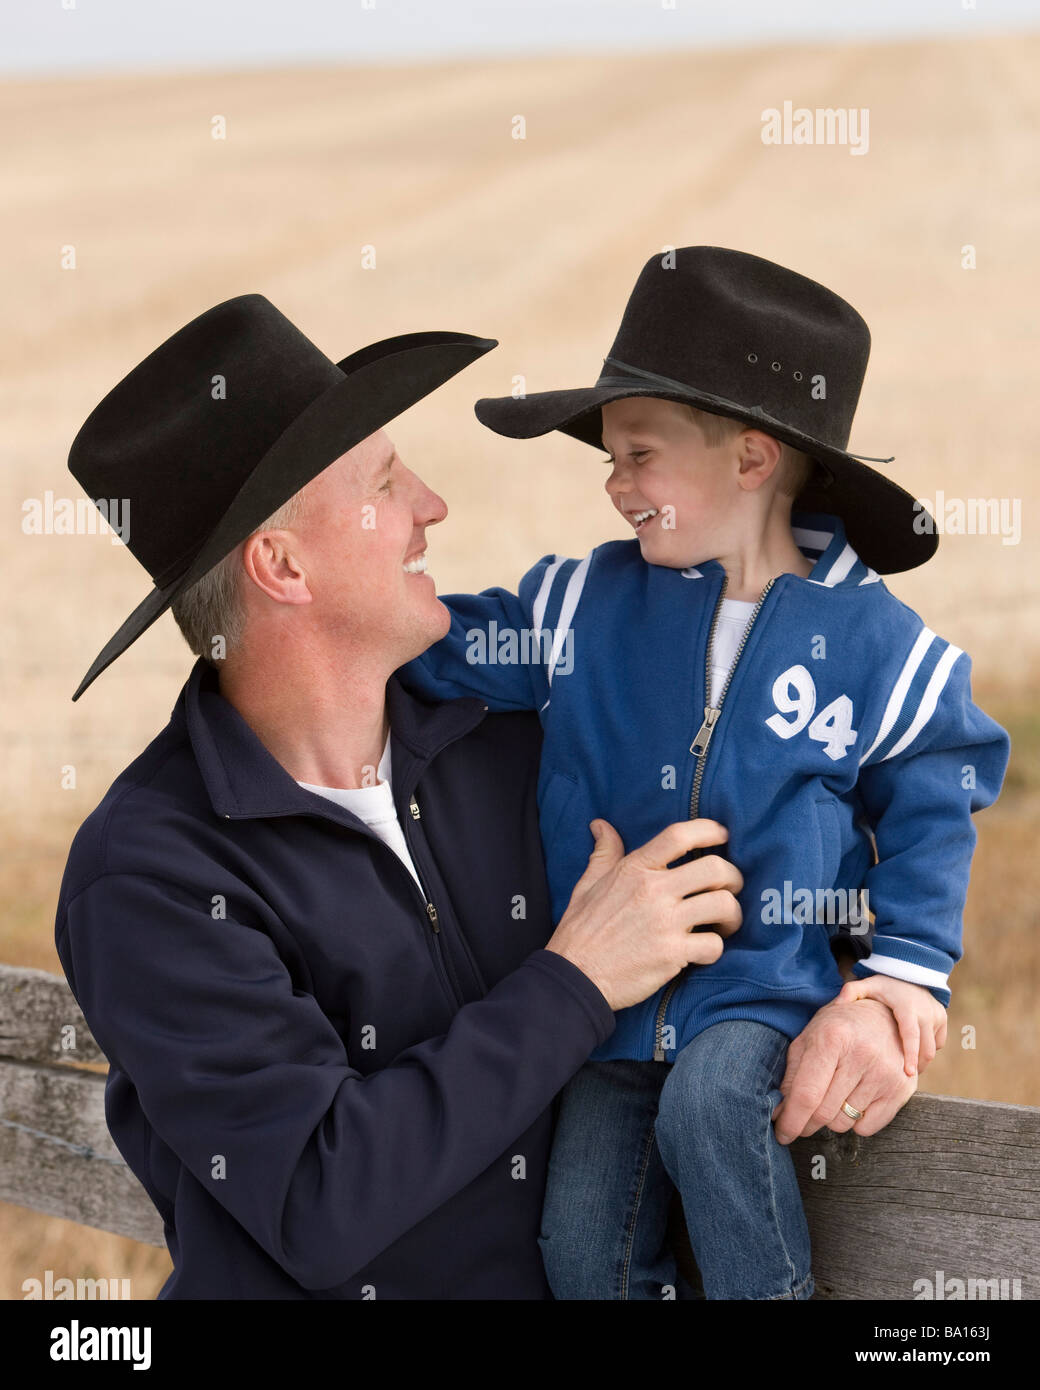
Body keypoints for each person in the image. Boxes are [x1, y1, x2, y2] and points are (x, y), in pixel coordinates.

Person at [53, 293, 744, 1299]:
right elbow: (317, 1196)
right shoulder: (152, 872)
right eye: (384, 481)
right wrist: (573, 980)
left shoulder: (512, 730)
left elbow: (764, 749)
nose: (431, 504)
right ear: (280, 564)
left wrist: (885, 985)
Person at [396, 246, 1012, 1300]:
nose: (612, 482)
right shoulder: (579, 603)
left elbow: (935, 794)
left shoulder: (872, 643)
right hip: (604, 1005)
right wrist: (361, 619)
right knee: (580, 1242)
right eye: (608, 458)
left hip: (763, 997)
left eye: (637, 454)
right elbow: (443, 644)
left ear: (750, 460)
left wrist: (901, 974)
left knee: (708, 1104)